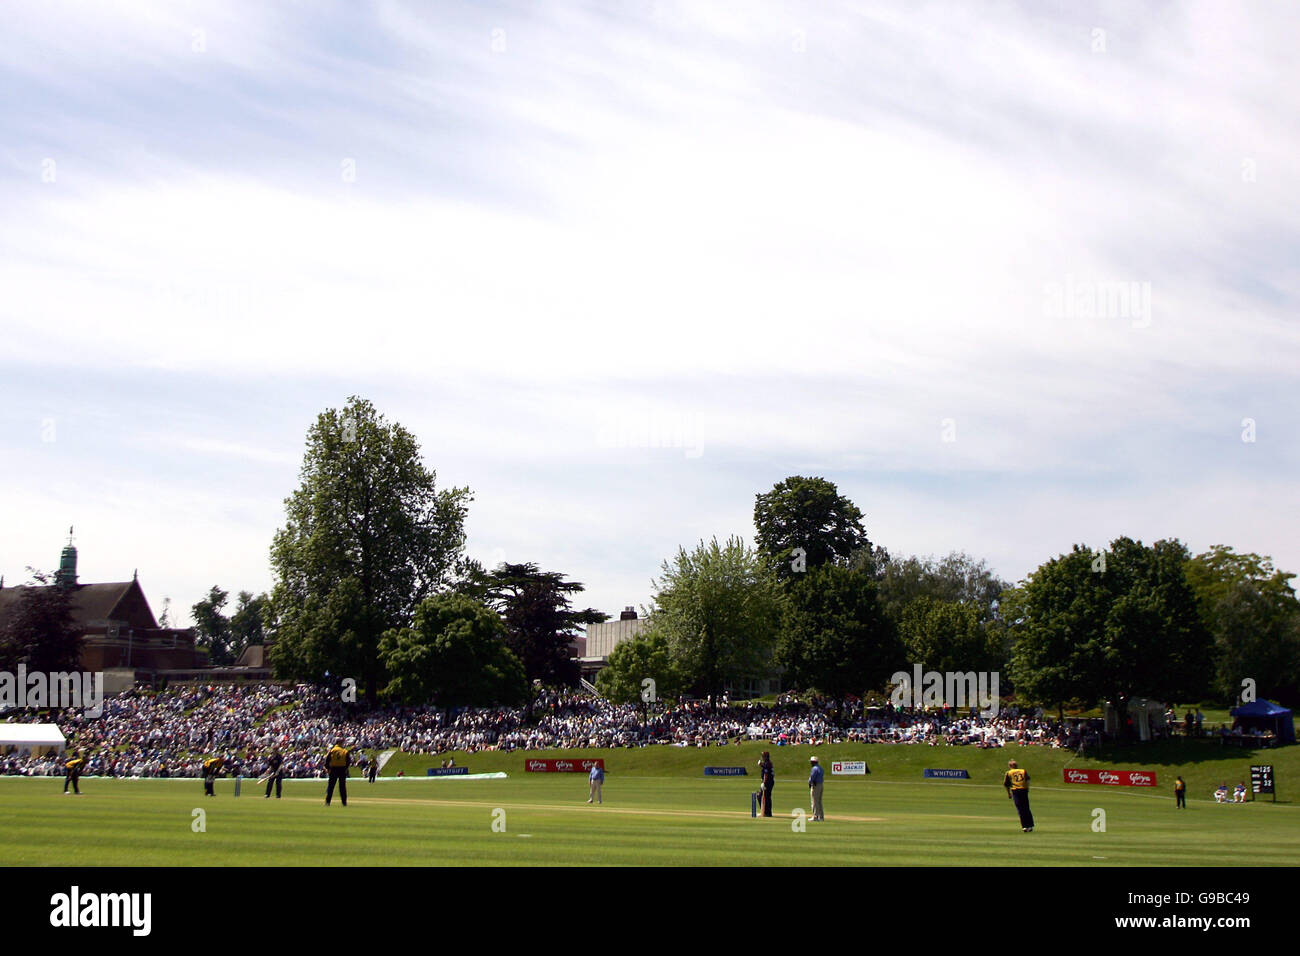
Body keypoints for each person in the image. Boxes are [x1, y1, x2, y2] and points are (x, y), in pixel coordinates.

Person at [1003, 759, 1034, 832]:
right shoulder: (1023, 771)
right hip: (1024, 790)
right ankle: (1030, 825)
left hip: (1015, 791)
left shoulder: (1009, 772)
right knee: (1026, 808)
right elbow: (1028, 780)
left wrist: (1008, 793)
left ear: (1010, 766)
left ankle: (1025, 826)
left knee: (1020, 809)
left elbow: (1006, 784)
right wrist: (1027, 788)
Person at [324, 741, 350, 806]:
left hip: (333, 769)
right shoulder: (345, 751)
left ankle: (327, 802)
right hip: (342, 769)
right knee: (342, 787)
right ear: (340, 743)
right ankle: (344, 802)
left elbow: (327, 761)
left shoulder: (332, 750)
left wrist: (328, 768)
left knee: (331, 786)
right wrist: (345, 768)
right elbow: (348, 761)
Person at [808, 756, 825, 821]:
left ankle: (815, 816)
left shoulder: (814, 768)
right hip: (821, 785)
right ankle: (821, 817)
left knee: (814, 801)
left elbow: (812, 777)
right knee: (819, 801)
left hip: (815, 785)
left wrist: (810, 783)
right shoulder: (820, 768)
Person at [758, 751, 774, 817]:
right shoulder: (768, 763)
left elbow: (766, 774)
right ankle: (767, 812)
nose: (762, 757)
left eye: (763, 756)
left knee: (762, 796)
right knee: (767, 797)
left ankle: (765, 812)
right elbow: (765, 767)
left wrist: (764, 783)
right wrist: (761, 765)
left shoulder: (767, 764)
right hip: (770, 782)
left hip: (767, 782)